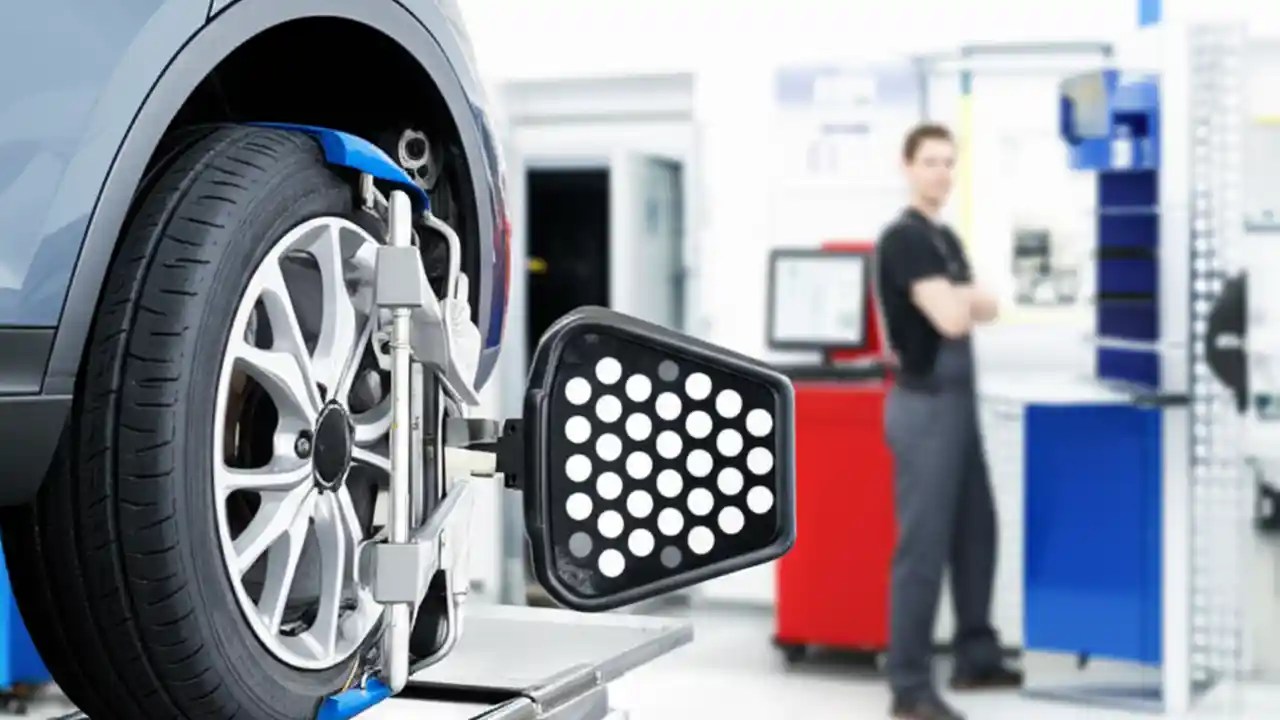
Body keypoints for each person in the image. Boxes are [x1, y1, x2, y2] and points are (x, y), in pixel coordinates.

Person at [875, 123, 1022, 720]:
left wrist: (959, 296)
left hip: (960, 407)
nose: (941, 172)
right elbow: (958, 320)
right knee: (924, 549)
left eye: (948, 162)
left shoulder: (945, 238)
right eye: (930, 161)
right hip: (926, 405)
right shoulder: (904, 240)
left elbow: (989, 302)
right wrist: (962, 298)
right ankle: (909, 686)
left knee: (977, 532)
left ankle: (975, 655)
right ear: (907, 166)